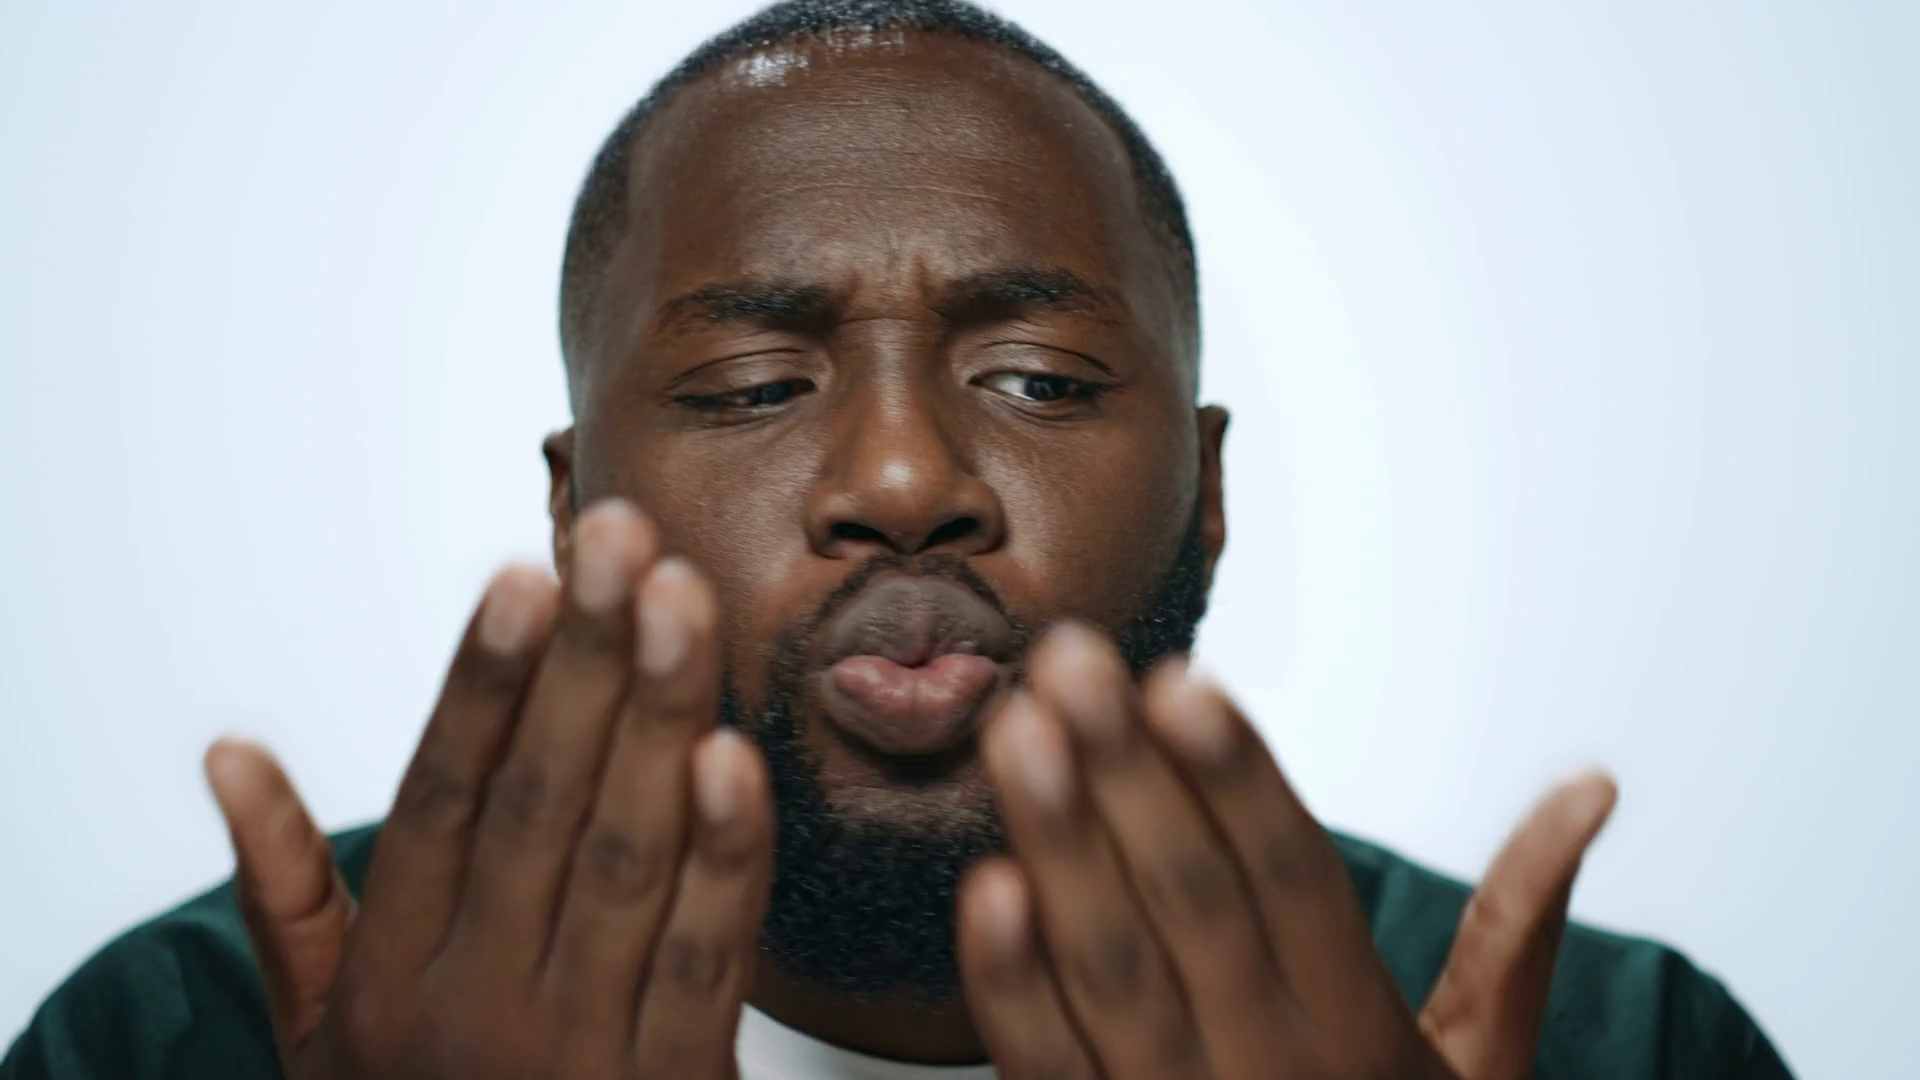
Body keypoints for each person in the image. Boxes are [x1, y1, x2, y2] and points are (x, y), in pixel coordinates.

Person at [2, 2, 1791, 1077]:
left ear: (1212, 488)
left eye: (1034, 374)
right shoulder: (204, 1040)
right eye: (754, 386)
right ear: (574, 509)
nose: (904, 469)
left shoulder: (1595, 1050)